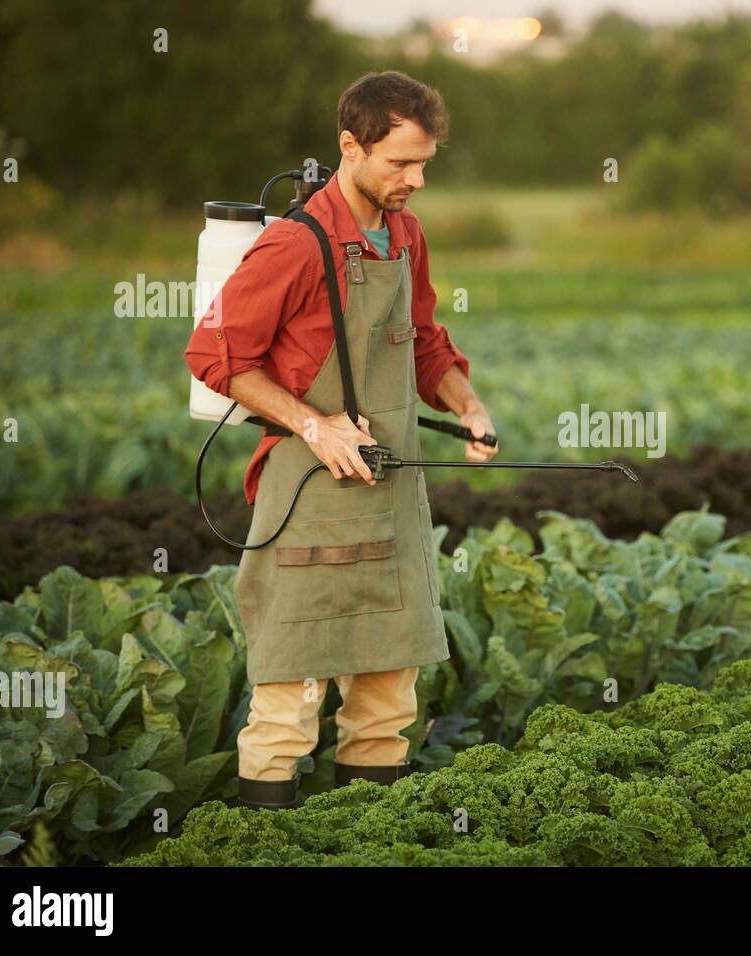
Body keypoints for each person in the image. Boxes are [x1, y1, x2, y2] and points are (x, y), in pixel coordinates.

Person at [185, 70, 498, 810]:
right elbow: (216, 355)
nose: (416, 179)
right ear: (350, 148)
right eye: (400, 162)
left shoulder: (405, 234)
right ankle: (264, 849)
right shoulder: (296, 245)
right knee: (286, 711)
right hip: (308, 502)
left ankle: (366, 845)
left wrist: (470, 404)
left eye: (425, 163)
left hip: (392, 499)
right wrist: (313, 423)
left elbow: (424, 343)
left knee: (387, 711)